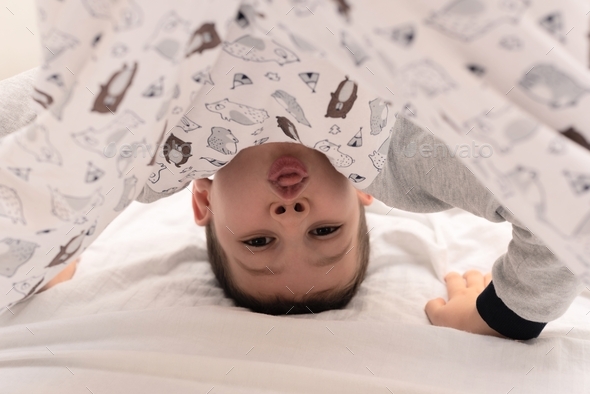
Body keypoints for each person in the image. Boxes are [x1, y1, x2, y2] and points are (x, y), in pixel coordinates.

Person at [0, 0, 586, 342]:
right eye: (323, 234)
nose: (290, 216)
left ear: (201, 200)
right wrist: (504, 316)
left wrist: (49, 233)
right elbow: (561, 196)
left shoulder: (146, 152)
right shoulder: (392, 151)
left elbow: (37, 127)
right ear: (362, 196)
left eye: (259, 241)